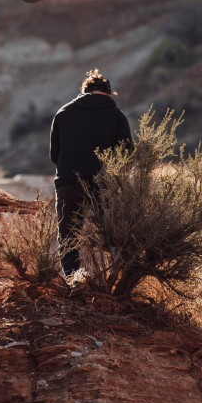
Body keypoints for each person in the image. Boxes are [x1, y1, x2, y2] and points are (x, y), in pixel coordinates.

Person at [49, 68, 134, 278]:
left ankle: (73, 279)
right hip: (103, 183)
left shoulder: (64, 112)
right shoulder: (117, 116)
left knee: (69, 233)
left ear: (84, 90)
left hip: (69, 181)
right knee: (111, 233)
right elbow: (127, 154)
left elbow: (54, 154)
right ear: (108, 93)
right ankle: (114, 277)